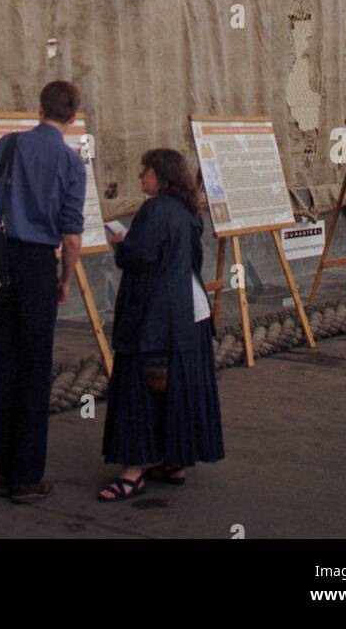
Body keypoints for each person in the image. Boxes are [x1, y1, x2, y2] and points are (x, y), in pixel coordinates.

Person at [0, 81, 85, 503]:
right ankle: (27, 476)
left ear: (38, 108)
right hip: (39, 268)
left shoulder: (8, 146)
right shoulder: (72, 164)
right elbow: (72, 237)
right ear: (72, 118)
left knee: (0, 363)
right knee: (35, 370)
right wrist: (65, 279)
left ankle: (4, 469)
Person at [99, 148, 224, 501]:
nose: (141, 178)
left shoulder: (154, 210)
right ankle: (174, 460)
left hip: (157, 316)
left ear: (161, 175)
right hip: (191, 312)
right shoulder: (187, 210)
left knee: (140, 388)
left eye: (146, 172)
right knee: (179, 387)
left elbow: (137, 256)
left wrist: (122, 244)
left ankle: (133, 471)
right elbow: (191, 259)